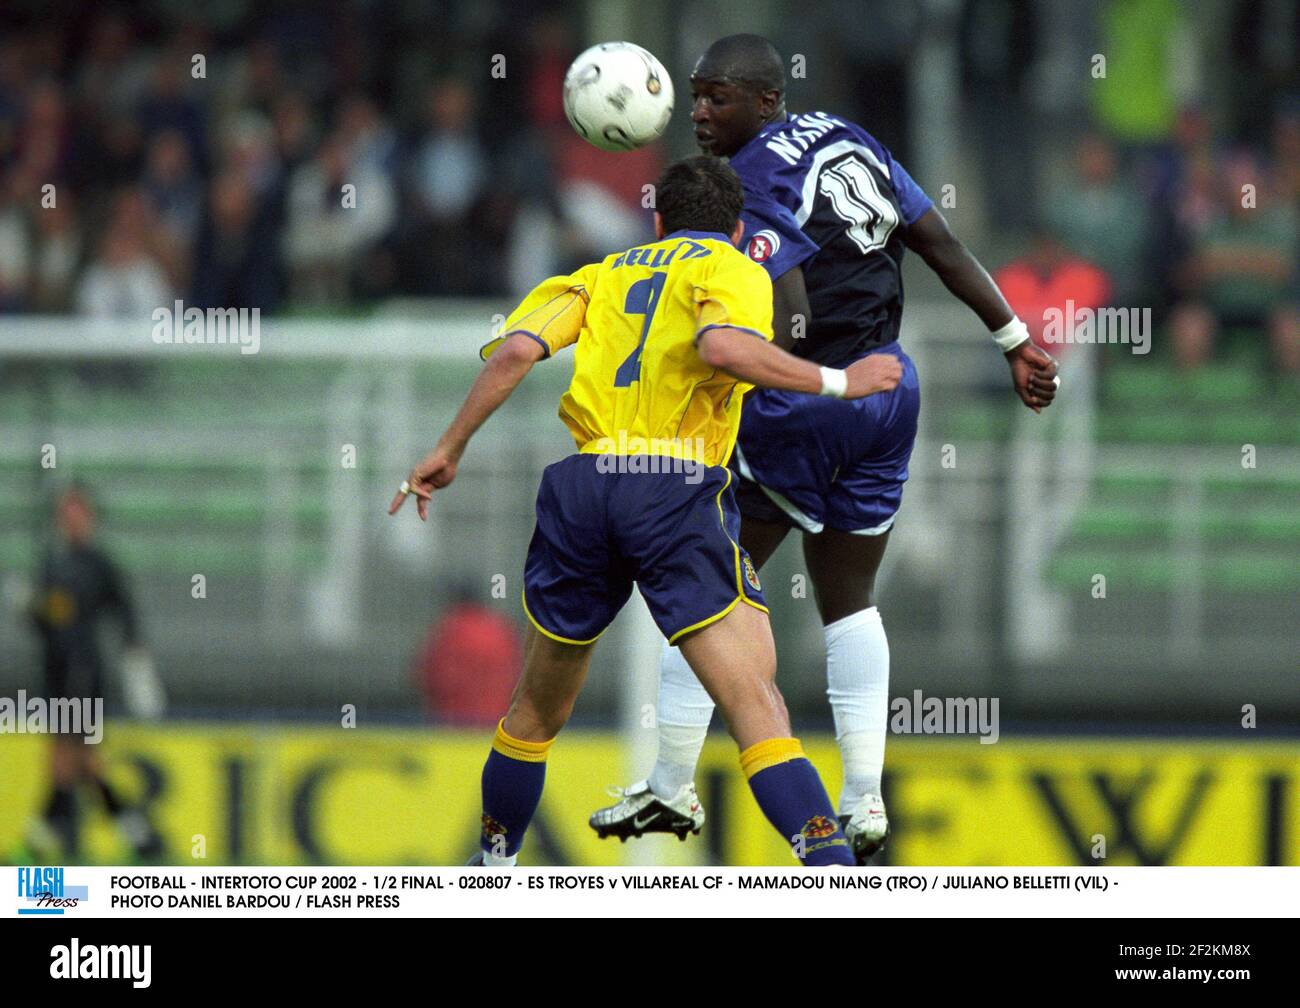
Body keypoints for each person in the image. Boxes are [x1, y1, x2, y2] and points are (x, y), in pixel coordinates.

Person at [590, 35, 1059, 863]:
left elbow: (794, 313)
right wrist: (1013, 337)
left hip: (817, 399)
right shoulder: (855, 138)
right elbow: (939, 242)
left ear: (767, 102)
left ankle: (666, 781)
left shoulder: (756, 177)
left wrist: (740, 358)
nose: (700, 112)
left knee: (704, 581)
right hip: (890, 390)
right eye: (695, 96)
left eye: (718, 98)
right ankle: (866, 799)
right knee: (849, 593)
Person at [390, 156, 903, 866]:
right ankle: (829, 867)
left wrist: (448, 448)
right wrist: (842, 382)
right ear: (738, 227)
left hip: (585, 483)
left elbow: (513, 351)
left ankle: (492, 864)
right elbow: (720, 345)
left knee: (535, 712)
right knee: (755, 702)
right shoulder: (731, 268)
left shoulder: (602, 273)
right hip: (672, 486)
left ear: (657, 220)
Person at [23, 485, 161, 862]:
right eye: (66, 513)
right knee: (82, 765)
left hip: (82, 674)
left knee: (68, 761)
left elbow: (125, 612)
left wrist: (136, 659)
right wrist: (32, 609)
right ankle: (139, 835)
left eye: (77, 512)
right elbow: (41, 621)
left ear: (90, 517)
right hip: (55, 673)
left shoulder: (99, 564)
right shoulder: (51, 564)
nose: (71, 520)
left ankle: (39, 841)